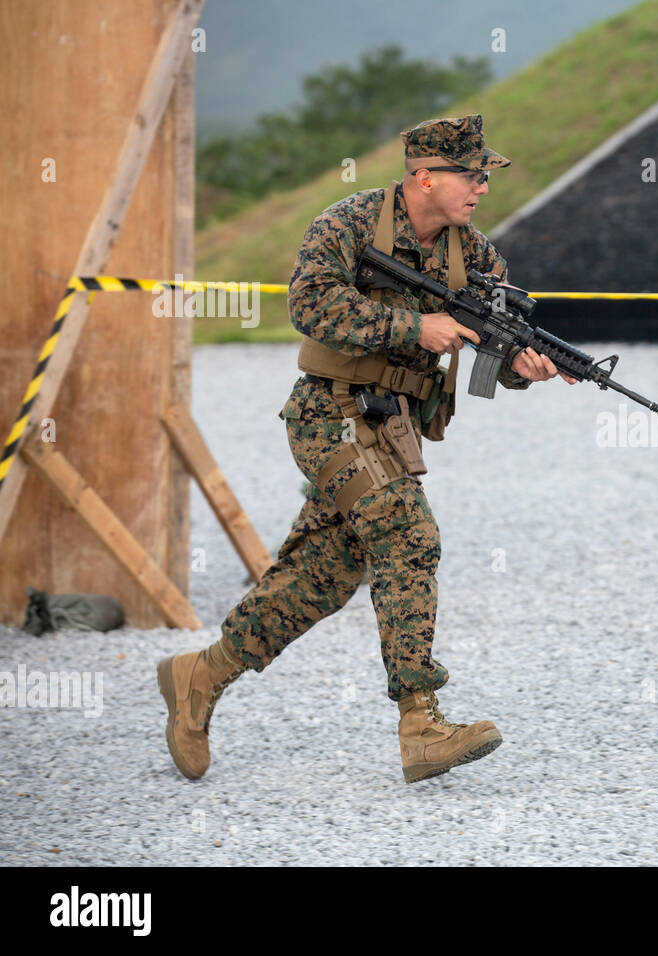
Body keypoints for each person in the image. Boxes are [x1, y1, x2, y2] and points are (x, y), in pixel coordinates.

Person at [157, 114, 573, 784]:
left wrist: (524, 368)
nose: (481, 190)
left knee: (320, 577)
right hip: (329, 414)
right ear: (425, 176)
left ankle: (198, 678)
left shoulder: (476, 257)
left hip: (393, 425)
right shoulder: (347, 224)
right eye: (471, 176)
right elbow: (311, 306)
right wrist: (416, 324)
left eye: (484, 177)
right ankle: (420, 723)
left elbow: (495, 347)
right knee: (409, 535)